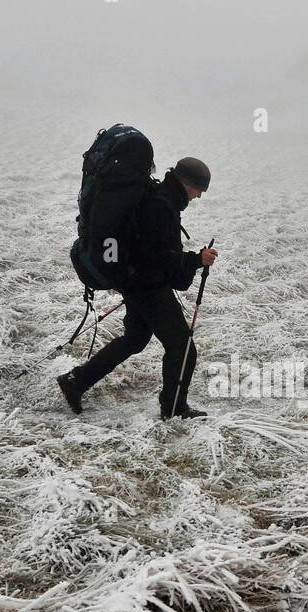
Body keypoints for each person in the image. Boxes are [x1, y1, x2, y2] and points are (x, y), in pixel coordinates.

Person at [57, 157, 218, 419]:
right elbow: (154, 257)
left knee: (135, 339)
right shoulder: (161, 205)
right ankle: (174, 409)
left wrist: (188, 261)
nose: (199, 196)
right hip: (147, 286)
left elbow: (153, 253)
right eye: (199, 190)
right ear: (187, 184)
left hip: (135, 281)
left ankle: (75, 381)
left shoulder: (161, 197)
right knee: (182, 346)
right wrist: (196, 260)